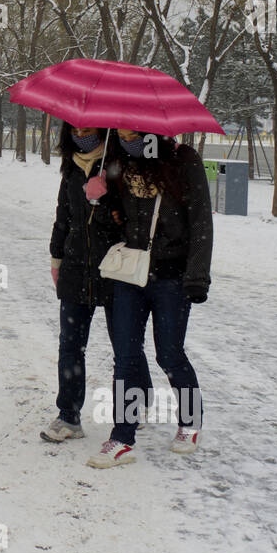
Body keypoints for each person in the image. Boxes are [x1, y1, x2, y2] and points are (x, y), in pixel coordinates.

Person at [87, 129, 212, 469]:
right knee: (125, 357)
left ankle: (190, 421)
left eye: (132, 125)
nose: (125, 130)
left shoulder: (182, 160)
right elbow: (112, 219)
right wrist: (97, 195)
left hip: (170, 276)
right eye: (121, 124)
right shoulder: (117, 161)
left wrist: (197, 276)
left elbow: (201, 219)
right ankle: (123, 436)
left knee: (169, 354)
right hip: (129, 272)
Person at [43, 125, 151, 442]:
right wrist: (56, 258)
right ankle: (68, 417)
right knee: (71, 345)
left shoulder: (122, 162)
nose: (80, 129)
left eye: (88, 125)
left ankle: (138, 405)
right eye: (75, 124)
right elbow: (63, 216)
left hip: (116, 268)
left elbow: (136, 218)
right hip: (76, 267)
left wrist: (109, 200)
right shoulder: (72, 165)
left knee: (126, 346)